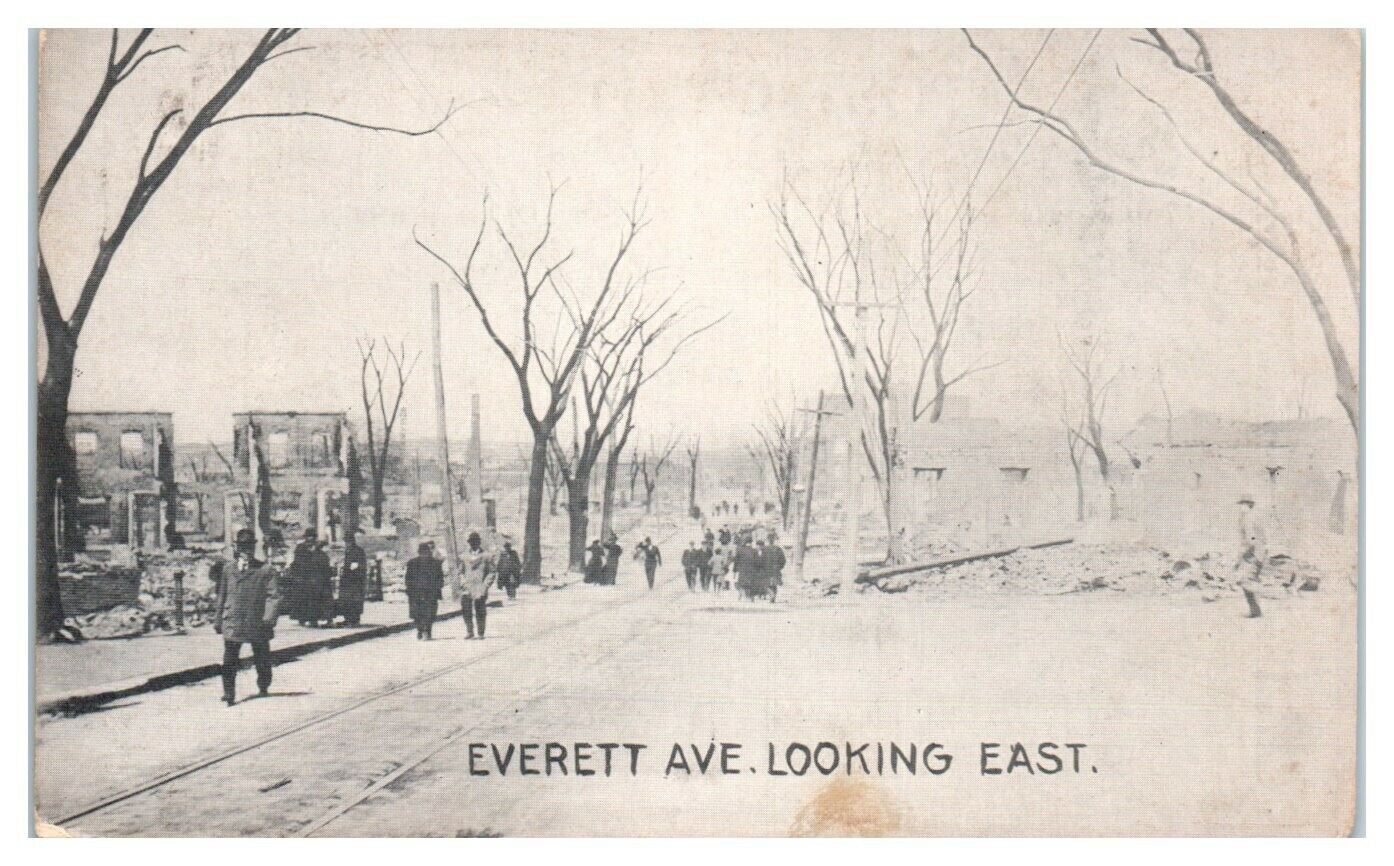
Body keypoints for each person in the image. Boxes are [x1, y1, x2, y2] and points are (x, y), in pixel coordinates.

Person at [215, 528, 281, 706]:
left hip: (257, 621)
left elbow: (273, 596)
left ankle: (263, 685)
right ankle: (229, 693)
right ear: (237, 548)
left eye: (249, 547)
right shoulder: (228, 569)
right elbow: (222, 595)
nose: (246, 552)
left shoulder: (266, 570)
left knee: (261, 656)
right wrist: (218, 618)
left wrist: (268, 619)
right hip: (233, 619)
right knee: (229, 658)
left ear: (254, 548)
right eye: (242, 547)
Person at [404, 541, 444, 639]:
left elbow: (440, 578)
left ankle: (427, 630)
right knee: (418, 613)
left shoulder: (436, 563)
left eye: (425, 552)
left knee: (429, 613)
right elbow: (408, 578)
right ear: (419, 552)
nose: (424, 554)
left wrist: (438, 586)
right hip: (417, 592)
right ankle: (420, 629)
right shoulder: (412, 563)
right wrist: (409, 588)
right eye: (422, 552)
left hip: (430, 592)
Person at [458, 532, 495, 639]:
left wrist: (486, 585)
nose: (474, 544)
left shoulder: (487, 556)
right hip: (467, 587)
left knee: (480, 610)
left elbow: (492, 572)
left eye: (476, 542)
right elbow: (460, 572)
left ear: (479, 542)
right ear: (469, 543)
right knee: (466, 610)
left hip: (480, 586)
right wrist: (463, 582)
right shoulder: (464, 556)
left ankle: (480, 632)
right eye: (471, 542)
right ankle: (469, 631)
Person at [1236, 496, 1267, 618]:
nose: (1240, 507)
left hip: (1253, 553)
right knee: (1248, 580)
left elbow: (1251, 538)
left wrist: (1243, 554)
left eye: (1242, 504)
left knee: (1247, 580)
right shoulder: (1254, 517)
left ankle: (1256, 611)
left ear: (1248, 505)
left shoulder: (1248, 518)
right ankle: (1255, 610)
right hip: (1258, 552)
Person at [337, 529, 368, 626]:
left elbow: (356, 565)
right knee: (347, 600)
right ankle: (348, 618)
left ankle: (353, 619)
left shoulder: (357, 551)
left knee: (354, 600)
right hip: (349, 580)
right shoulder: (350, 550)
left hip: (355, 580)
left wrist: (347, 570)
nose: (346, 544)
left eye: (347, 541)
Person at [287, 529, 317, 626]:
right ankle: (302, 618)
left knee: (313, 599)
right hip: (302, 577)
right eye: (308, 536)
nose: (310, 538)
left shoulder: (316, 548)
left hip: (313, 577)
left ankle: (313, 619)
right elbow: (296, 562)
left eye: (312, 536)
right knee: (302, 599)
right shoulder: (300, 547)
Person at [309, 539, 335, 627]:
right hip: (323, 582)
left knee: (315, 601)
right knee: (327, 601)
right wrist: (331, 572)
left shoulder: (312, 555)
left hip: (314, 582)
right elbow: (327, 570)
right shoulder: (324, 556)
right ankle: (329, 620)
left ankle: (313, 621)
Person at [765, 532, 787, 602]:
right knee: (774, 585)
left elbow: (761, 559)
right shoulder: (778, 549)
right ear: (774, 540)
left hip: (767, 569)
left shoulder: (765, 549)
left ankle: (772, 595)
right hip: (776, 569)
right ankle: (773, 597)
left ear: (768, 540)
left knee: (767, 584)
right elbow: (783, 560)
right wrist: (780, 567)